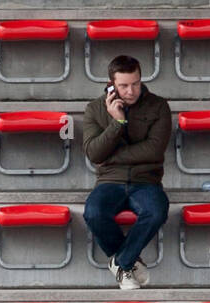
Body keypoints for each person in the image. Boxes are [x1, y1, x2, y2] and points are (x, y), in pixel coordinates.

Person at [82, 53, 173, 291]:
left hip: (146, 181)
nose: (131, 91)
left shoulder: (159, 106)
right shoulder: (94, 109)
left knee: (156, 211)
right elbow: (93, 153)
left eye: (135, 83)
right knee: (93, 212)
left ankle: (121, 262)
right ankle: (129, 263)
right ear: (112, 84)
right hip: (109, 181)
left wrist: (111, 158)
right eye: (123, 86)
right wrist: (117, 123)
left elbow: (154, 150)